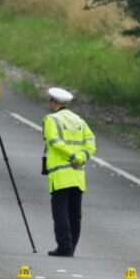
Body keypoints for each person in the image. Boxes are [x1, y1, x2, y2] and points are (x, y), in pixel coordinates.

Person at [42, 86, 96, 257]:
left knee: (60, 213)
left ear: (55, 103)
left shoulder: (51, 120)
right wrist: (81, 157)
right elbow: (91, 142)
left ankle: (64, 247)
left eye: (51, 101)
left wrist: (72, 155)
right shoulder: (80, 121)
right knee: (74, 213)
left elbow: (54, 141)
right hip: (77, 174)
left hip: (60, 175)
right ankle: (71, 247)